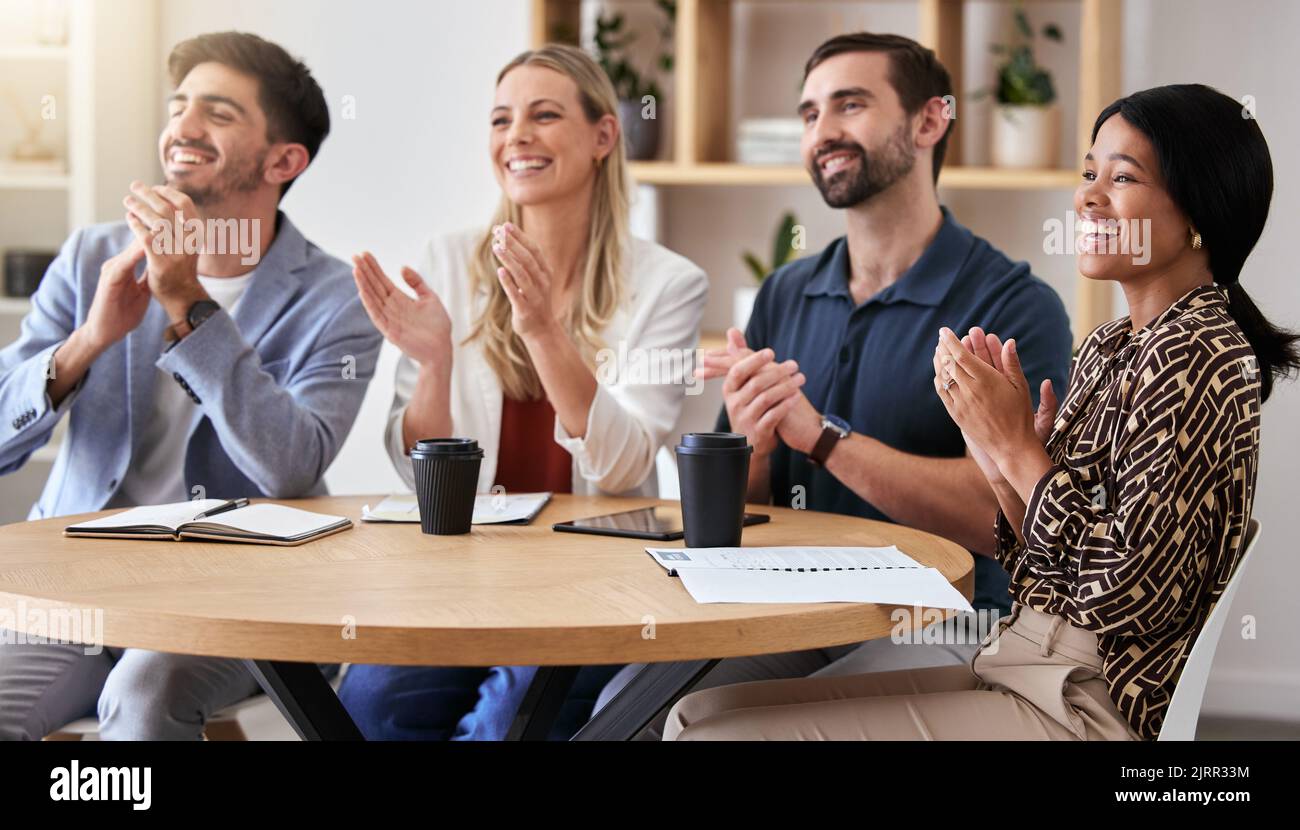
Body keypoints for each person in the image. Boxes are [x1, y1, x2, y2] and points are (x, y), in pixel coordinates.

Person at [666, 83, 1296, 741]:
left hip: (1090, 701)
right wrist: (999, 452)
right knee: (696, 715)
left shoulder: (1196, 352)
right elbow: (1043, 567)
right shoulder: (1117, 344)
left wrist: (1020, 453)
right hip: (1022, 654)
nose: (1086, 196)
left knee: (716, 736)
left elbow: (1123, 590)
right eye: (1088, 173)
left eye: (1123, 177)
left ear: (1200, 211)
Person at [595, 32, 1073, 736]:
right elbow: (743, 514)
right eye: (810, 114)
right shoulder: (786, 292)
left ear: (930, 121)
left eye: (849, 105)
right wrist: (754, 448)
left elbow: (1002, 524)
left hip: (940, 621)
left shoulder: (1013, 307)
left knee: (693, 725)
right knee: (617, 710)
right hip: (787, 610)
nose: (823, 132)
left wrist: (822, 439)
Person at [0, 31, 381, 741]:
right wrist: (88, 342)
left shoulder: (337, 298)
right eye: (178, 106)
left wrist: (187, 306)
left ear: (283, 160)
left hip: (239, 598)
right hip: (79, 586)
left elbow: (292, 465)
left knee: (144, 697)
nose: (182, 127)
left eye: (218, 112)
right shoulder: (92, 256)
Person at [337, 43, 708, 740]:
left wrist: (543, 330)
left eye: (543, 116)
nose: (517, 138)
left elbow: (624, 467)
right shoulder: (450, 260)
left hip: (592, 581)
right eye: (501, 120)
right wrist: (435, 362)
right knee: (368, 705)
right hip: (463, 575)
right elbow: (416, 472)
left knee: (506, 722)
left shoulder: (669, 283)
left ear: (603, 136)